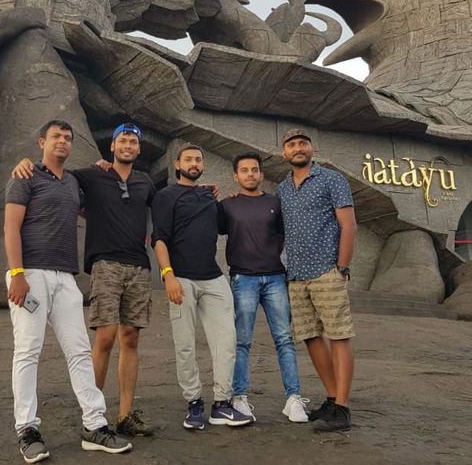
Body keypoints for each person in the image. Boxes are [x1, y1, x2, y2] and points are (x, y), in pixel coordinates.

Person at [12, 122, 156, 437]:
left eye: (133, 141)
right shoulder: (89, 176)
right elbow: (53, 174)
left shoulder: (146, 183)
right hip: (102, 263)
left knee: (130, 338)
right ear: (113, 146)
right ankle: (93, 415)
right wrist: (24, 163)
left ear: (139, 148)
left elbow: (165, 207)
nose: (128, 146)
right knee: (103, 338)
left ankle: (124, 414)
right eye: (122, 140)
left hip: (136, 264)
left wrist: (205, 191)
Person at [151, 144, 253, 430]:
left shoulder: (210, 198)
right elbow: (159, 238)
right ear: (177, 163)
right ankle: (193, 403)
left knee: (226, 341)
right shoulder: (166, 196)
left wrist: (231, 199)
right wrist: (167, 275)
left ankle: (222, 404)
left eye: (198, 159)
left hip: (214, 279)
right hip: (180, 278)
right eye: (189, 159)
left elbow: (223, 225)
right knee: (184, 344)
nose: (194, 163)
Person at [276, 128, 357, 432]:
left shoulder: (332, 179)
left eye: (302, 143)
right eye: (291, 145)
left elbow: (348, 225)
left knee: (338, 335)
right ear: (284, 152)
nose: (297, 148)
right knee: (310, 336)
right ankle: (332, 398)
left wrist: (343, 266)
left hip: (327, 270)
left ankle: (344, 407)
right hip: (296, 275)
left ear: (311, 148)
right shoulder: (282, 189)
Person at [219, 152, 309, 423]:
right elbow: (218, 231)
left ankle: (293, 399)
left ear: (260, 174)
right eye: (244, 170)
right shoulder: (226, 206)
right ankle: (240, 397)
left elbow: (281, 236)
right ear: (235, 176)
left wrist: (268, 257)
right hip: (242, 278)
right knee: (242, 341)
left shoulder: (275, 203)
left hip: (274, 278)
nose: (250, 174)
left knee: (284, 338)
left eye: (254, 170)